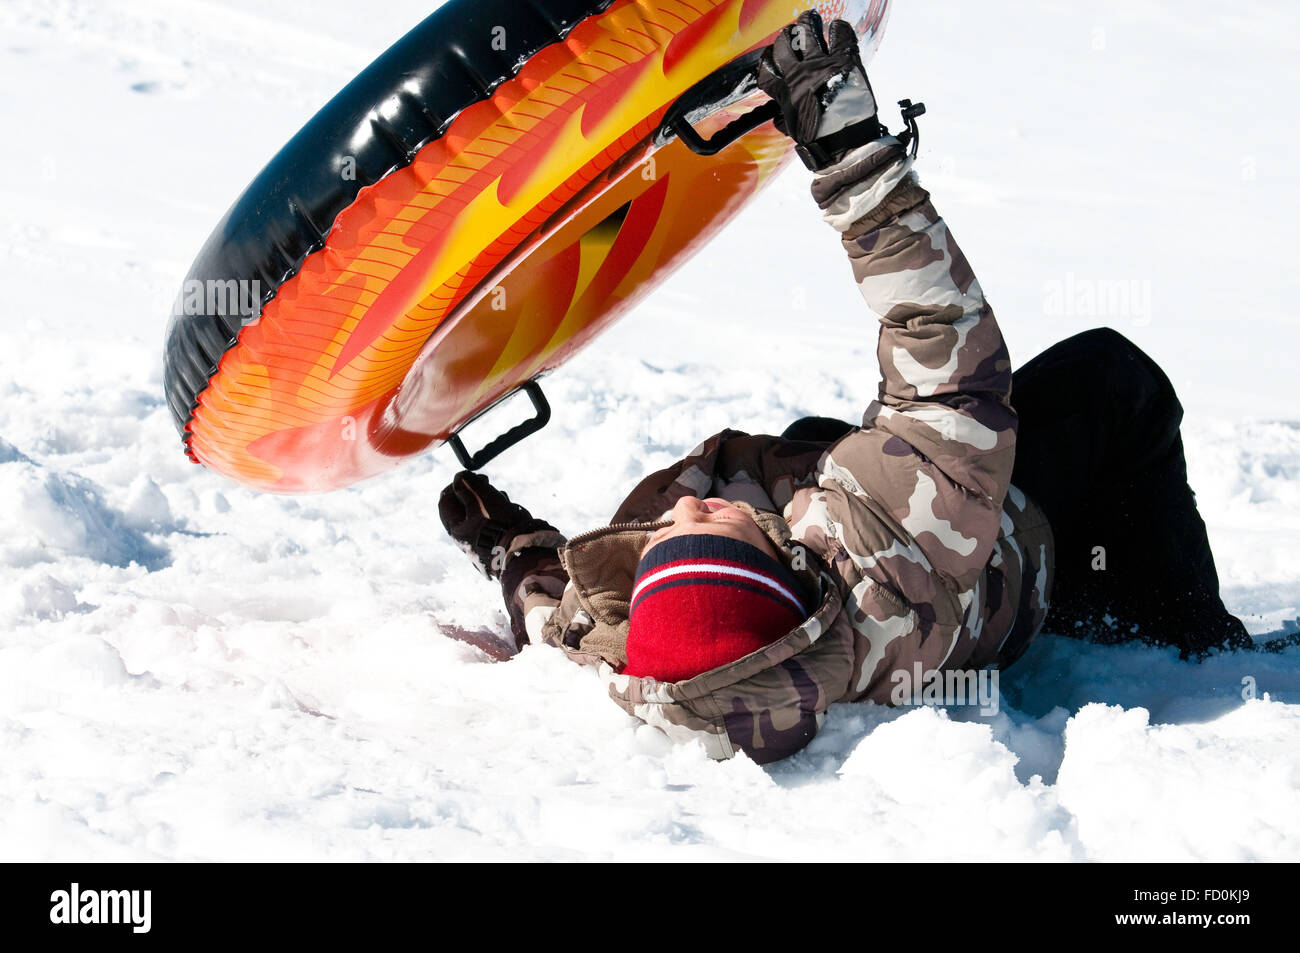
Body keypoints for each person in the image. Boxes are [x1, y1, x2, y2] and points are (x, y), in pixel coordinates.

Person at [437, 12, 1251, 764]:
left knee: (807, 442)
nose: (686, 510)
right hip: (1010, 538)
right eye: (714, 531)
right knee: (1112, 378)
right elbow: (945, 360)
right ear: (790, 578)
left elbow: (556, 617)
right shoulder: (894, 563)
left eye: (664, 544)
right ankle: (1179, 629)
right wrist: (850, 155)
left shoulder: (641, 653)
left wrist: (505, 543)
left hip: (876, 521)